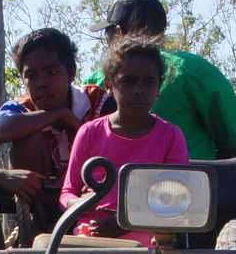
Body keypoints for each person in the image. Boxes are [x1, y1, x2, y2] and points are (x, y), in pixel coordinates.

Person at [95, 0, 236, 164]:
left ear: (118, 33)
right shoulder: (191, 69)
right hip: (190, 179)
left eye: (107, 33)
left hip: (108, 179)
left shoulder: (96, 81)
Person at [65, 35, 190, 236]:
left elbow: (176, 202)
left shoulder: (171, 137)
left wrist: (125, 222)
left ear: (159, 86)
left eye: (148, 82)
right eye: (128, 81)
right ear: (109, 84)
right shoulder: (89, 133)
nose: (139, 90)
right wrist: (83, 203)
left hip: (150, 244)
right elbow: (67, 193)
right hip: (90, 239)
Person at [0, 27, 94, 238]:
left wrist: (78, 127)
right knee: (27, 137)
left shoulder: (97, 101)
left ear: (71, 73)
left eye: (51, 72)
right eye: (31, 76)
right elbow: (2, 130)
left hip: (91, 197)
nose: (41, 83)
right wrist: (60, 114)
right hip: (43, 200)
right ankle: (38, 224)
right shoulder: (20, 108)